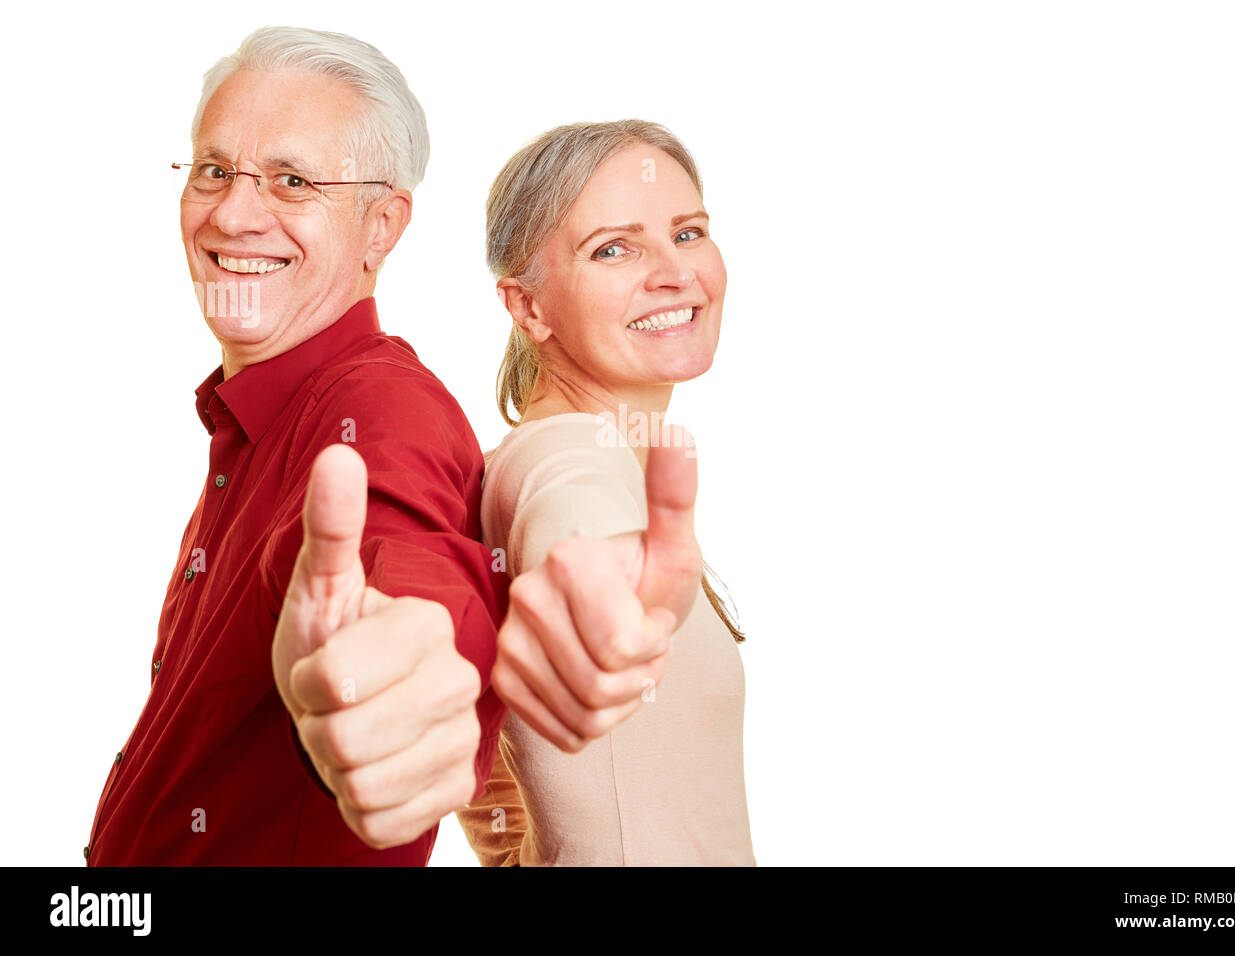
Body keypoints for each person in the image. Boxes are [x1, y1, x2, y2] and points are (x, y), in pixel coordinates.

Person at [87, 29, 695, 866]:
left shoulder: (381, 413)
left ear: (381, 226)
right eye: (214, 170)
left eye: (292, 181)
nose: (233, 212)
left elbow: (406, 574)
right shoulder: (252, 422)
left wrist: (406, 677)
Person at [457, 120, 755, 866]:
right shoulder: (564, 457)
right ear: (529, 308)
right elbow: (576, 527)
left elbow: (495, 800)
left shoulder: (575, 456)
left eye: (688, 233)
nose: (673, 273)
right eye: (612, 249)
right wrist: (592, 597)